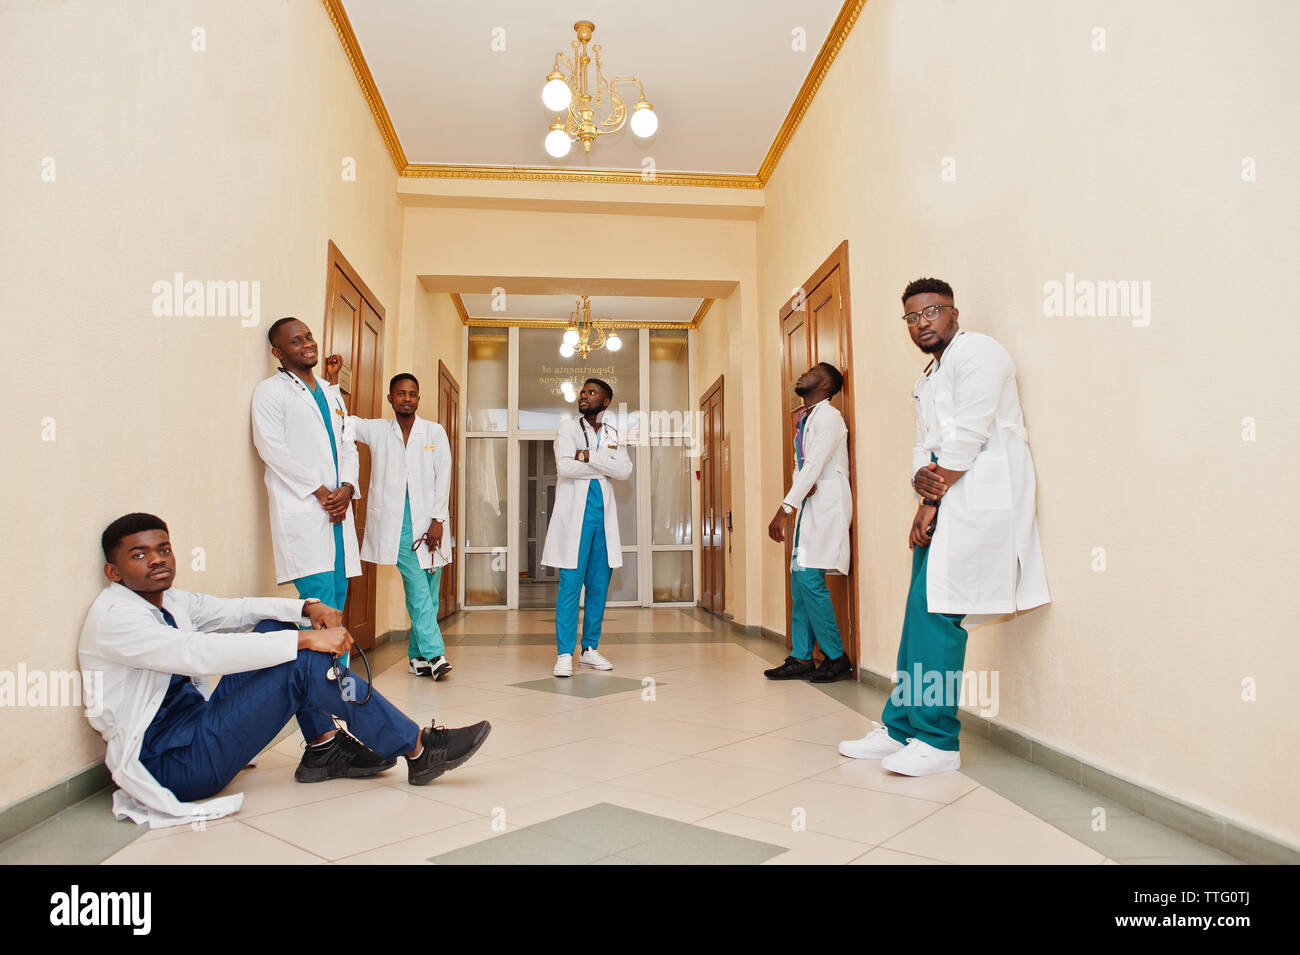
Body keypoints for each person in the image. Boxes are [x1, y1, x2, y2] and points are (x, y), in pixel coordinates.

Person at [79, 513, 491, 827]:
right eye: (139, 555)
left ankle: (324, 750)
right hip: (172, 764)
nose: (156, 561)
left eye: (163, 549)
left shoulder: (168, 600)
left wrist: (304, 609)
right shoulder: (116, 618)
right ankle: (417, 749)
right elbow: (196, 653)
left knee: (275, 628)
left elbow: (236, 610)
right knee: (300, 662)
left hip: (196, 726)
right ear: (113, 573)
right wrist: (306, 639)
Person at [839, 277, 1049, 776]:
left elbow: (969, 435)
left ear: (954, 313)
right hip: (948, 497)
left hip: (977, 499)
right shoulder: (929, 375)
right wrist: (922, 497)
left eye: (931, 312)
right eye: (911, 318)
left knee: (940, 613)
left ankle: (937, 740)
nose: (922, 324)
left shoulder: (979, 353)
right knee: (919, 615)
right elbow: (925, 445)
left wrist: (930, 502)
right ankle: (901, 728)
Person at [325, 360, 453, 679]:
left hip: (430, 523)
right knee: (416, 585)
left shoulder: (434, 432)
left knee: (429, 587)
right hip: (397, 524)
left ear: (418, 399)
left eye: (411, 394)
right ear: (390, 399)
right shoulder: (378, 430)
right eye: (400, 394)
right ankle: (435, 654)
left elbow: (444, 477)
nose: (406, 398)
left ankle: (416, 657)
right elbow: (342, 422)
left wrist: (438, 519)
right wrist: (331, 383)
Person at [251, 317, 361, 666]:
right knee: (319, 603)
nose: (307, 344)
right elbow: (271, 449)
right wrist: (319, 491)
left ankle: (337, 682)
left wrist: (347, 487)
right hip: (306, 510)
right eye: (296, 341)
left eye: (309, 337)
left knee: (339, 596)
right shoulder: (271, 392)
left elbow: (347, 444)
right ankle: (321, 693)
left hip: (337, 510)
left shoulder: (331, 394)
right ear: (278, 352)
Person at [764, 362, 854, 683]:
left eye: (813, 371)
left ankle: (836, 656)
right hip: (809, 506)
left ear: (826, 386)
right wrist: (798, 489)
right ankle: (802, 657)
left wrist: (785, 507)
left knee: (811, 582)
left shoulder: (829, 416)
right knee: (800, 585)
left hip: (826, 506)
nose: (805, 373)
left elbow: (814, 462)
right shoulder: (805, 418)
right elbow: (800, 466)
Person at [541, 378, 633, 677]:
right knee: (569, 587)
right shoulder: (568, 428)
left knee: (597, 587)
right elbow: (565, 467)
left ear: (605, 402)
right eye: (583, 391)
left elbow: (624, 470)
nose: (584, 395)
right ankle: (565, 653)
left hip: (602, 523)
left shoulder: (612, 433)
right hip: (574, 522)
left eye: (591, 392)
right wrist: (604, 462)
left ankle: (589, 649)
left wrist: (589, 456)